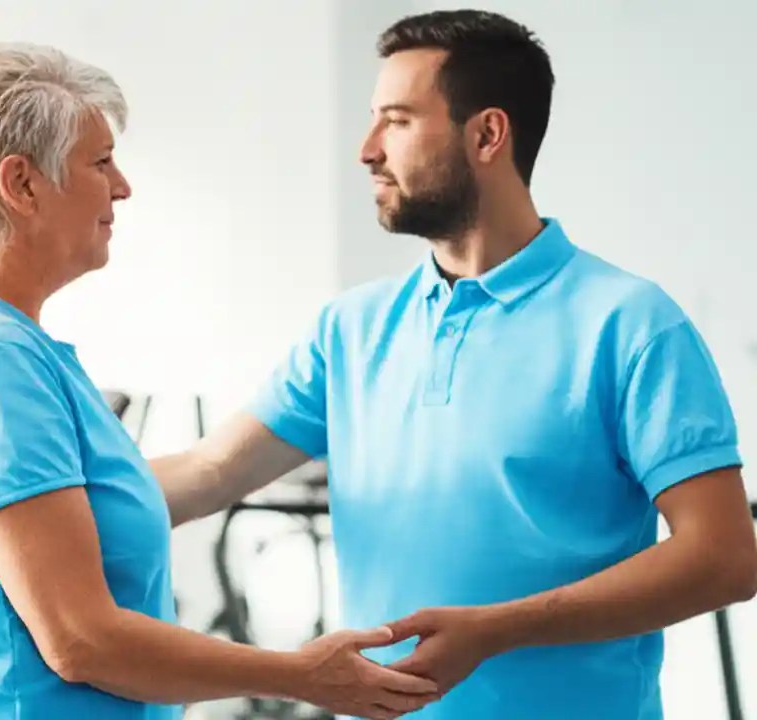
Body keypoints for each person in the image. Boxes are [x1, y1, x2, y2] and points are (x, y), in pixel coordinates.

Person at [151, 10, 757, 720]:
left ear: (488, 134)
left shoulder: (629, 324)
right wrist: (33, 511)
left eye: (398, 121)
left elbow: (724, 557)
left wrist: (496, 630)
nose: (367, 150)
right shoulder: (350, 328)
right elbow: (210, 471)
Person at [0, 43, 439, 720]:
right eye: (100, 163)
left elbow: (161, 486)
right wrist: (301, 675)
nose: (122, 186)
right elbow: (82, 639)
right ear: (22, 185)